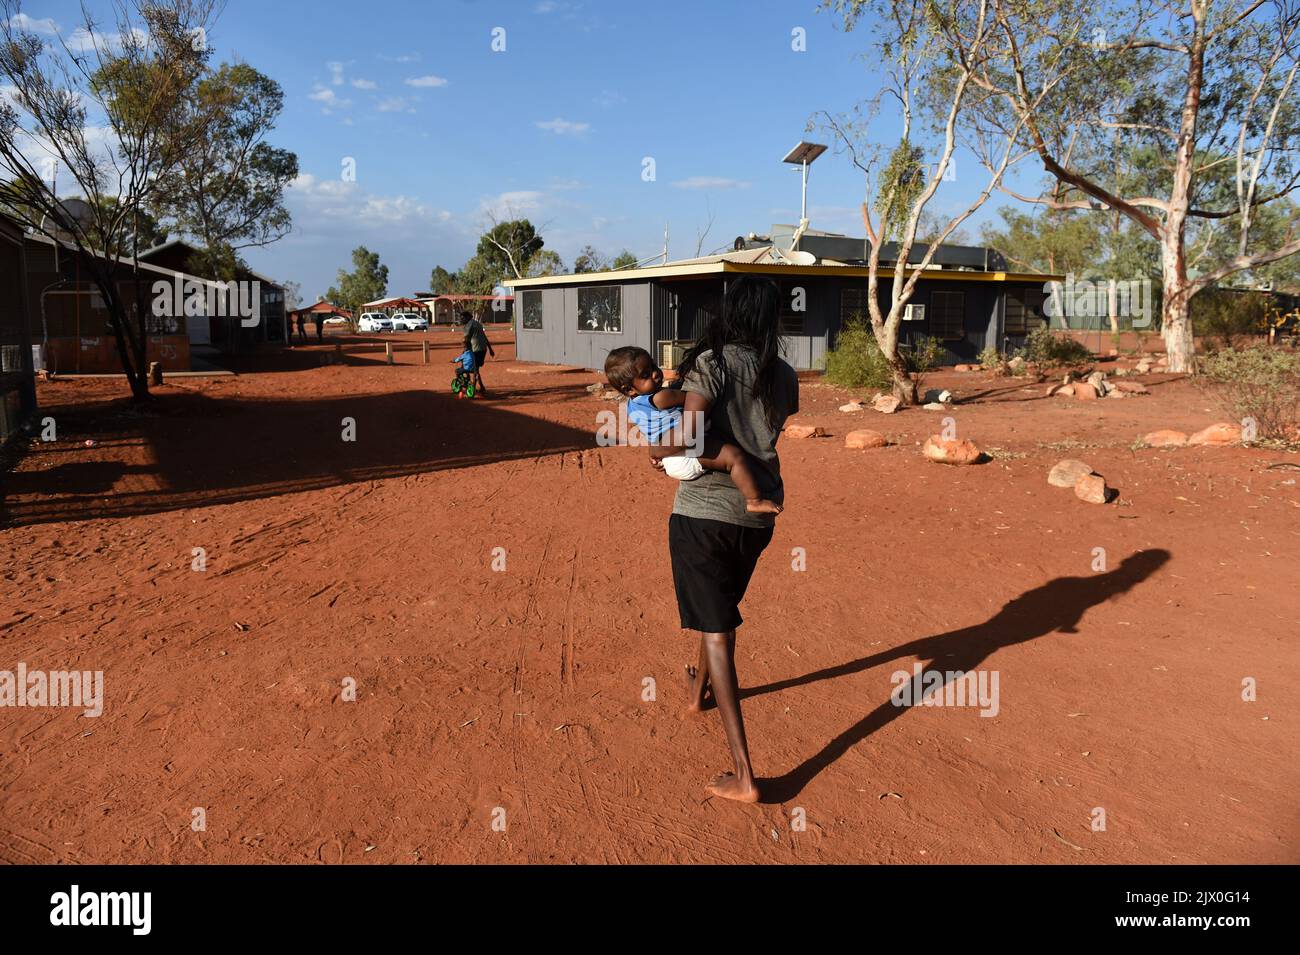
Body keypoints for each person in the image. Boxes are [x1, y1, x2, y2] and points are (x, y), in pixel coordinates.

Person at [650, 274, 798, 804]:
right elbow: (768, 429)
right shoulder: (782, 372)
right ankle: (698, 692)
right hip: (759, 517)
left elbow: (690, 437)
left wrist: (661, 452)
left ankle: (745, 775)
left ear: (728, 312)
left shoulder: (711, 363)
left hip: (705, 513)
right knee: (718, 607)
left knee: (718, 630)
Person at [604, 346, 781, 514]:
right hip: (684, 451)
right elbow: (695, 395)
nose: (655, 373)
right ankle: (754, 500)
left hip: (669, 457)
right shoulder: (661, 397)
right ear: (629, 389)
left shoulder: (632, 406)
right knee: (734, 457)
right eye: (645, 374)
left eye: (653, 366)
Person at [458, 310, 495, 395]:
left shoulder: (468, 326)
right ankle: (481, 387)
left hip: (476, 349)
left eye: (462, 318)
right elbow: (484, 336)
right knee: (476, 368)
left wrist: (464, 352)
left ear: (467, 317)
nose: (461, 320)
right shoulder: (477, 323)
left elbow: (466, 341)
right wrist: (490, 349)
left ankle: (472, 390)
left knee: (471, 368)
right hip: (483, 349)